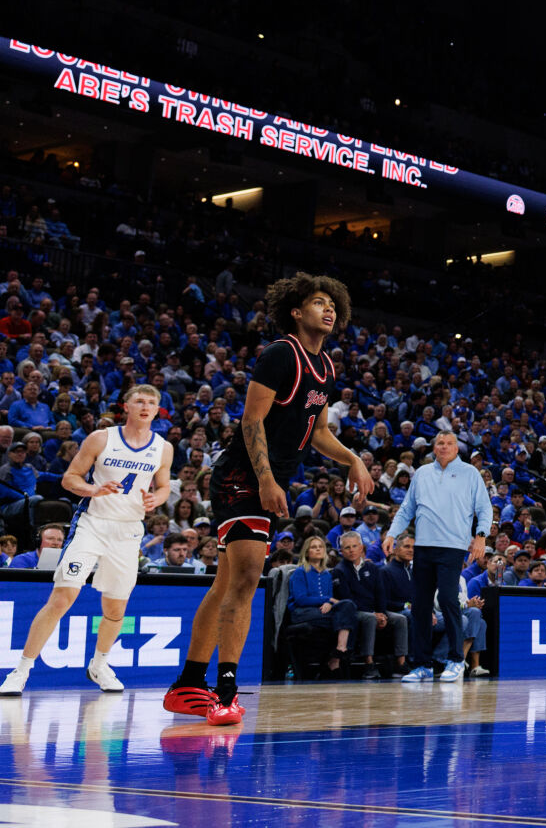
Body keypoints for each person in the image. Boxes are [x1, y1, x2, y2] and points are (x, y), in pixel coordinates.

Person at [164, 274, 372, 725]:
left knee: (226, 584)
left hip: (264, 481)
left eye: (332, 303)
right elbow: (251, 421)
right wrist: (265, 479)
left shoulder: (326, 367)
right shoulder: (281, 353)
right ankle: (225, 692)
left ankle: (187, 686)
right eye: (318, 302)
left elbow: (318, 432)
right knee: (245, 580)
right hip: (243, 477)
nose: (329, 309)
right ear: (296, 312)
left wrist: (353, 459)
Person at [1, 386, 169, 695]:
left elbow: (164, 486)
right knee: (61, 598)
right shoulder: (101, 438)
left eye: (151, 402)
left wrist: (155, 499)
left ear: (157, 409)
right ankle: (21, 670)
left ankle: (99, 665)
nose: (145, 406)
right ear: (126, 406)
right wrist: (93, 490)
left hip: (128, 531)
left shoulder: (163, 448)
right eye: (139, 401)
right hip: (93, 524)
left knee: (116, 609)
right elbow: (70, 478)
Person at [385, 431, 493, 684]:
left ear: (457, 448)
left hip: (453, 546)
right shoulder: (422, 473)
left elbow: (484, 508)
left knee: (447, 598)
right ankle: (422, 664)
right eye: (440, 443)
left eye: (449, 443)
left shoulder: (470, 473)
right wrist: (391, 534)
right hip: (423, 546)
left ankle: (455, 660)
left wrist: (480, 536)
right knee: (420, 605)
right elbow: (407, 509)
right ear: (434, 448)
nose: (444, 447)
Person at [332, 530, 406, 678]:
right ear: (341, 551)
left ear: (361, 548)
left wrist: (382, 613)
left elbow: (380, 594)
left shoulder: (372, 568)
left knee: (400, 619)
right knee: (369, 618)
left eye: (354, 546)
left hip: (376, 611)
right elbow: (347, 599)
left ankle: (401, 664)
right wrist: (374, 614)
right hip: (355, 612)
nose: (351, 550)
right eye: (347, 547)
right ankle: (369, 664)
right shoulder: (339, 571)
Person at [285, 536, 356, 676]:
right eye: (313, 547)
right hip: (301, 612)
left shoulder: (326, 574)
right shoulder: (300, 572)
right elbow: (300, 599)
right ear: (307, 552)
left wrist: (328, 603)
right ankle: (337, 656)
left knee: (349, 606)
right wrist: (327, 599)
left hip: (321, 612)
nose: (318, 549)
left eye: (320, 547)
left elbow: (328, 599)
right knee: (345, 619)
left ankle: (339, 651)